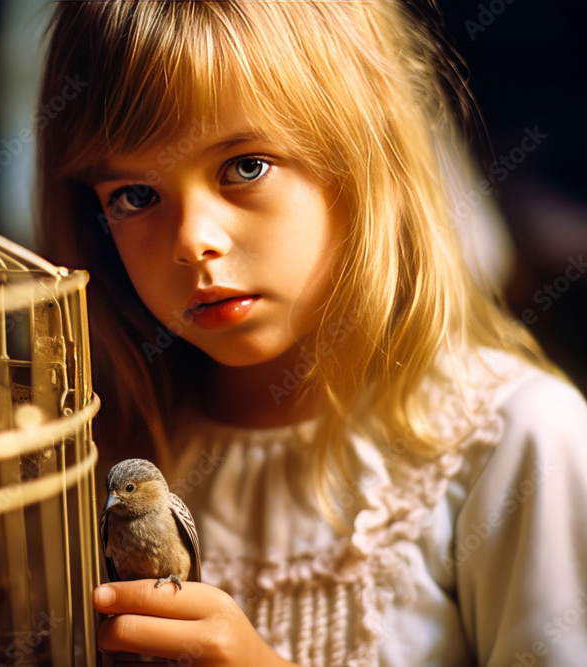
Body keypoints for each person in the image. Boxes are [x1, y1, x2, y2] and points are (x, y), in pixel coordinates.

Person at [35, 2, 587, 665]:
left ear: (363, 156)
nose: (193, 242)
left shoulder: (519, 442)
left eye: (244, 166)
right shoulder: (96, 437)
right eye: (135, 195)